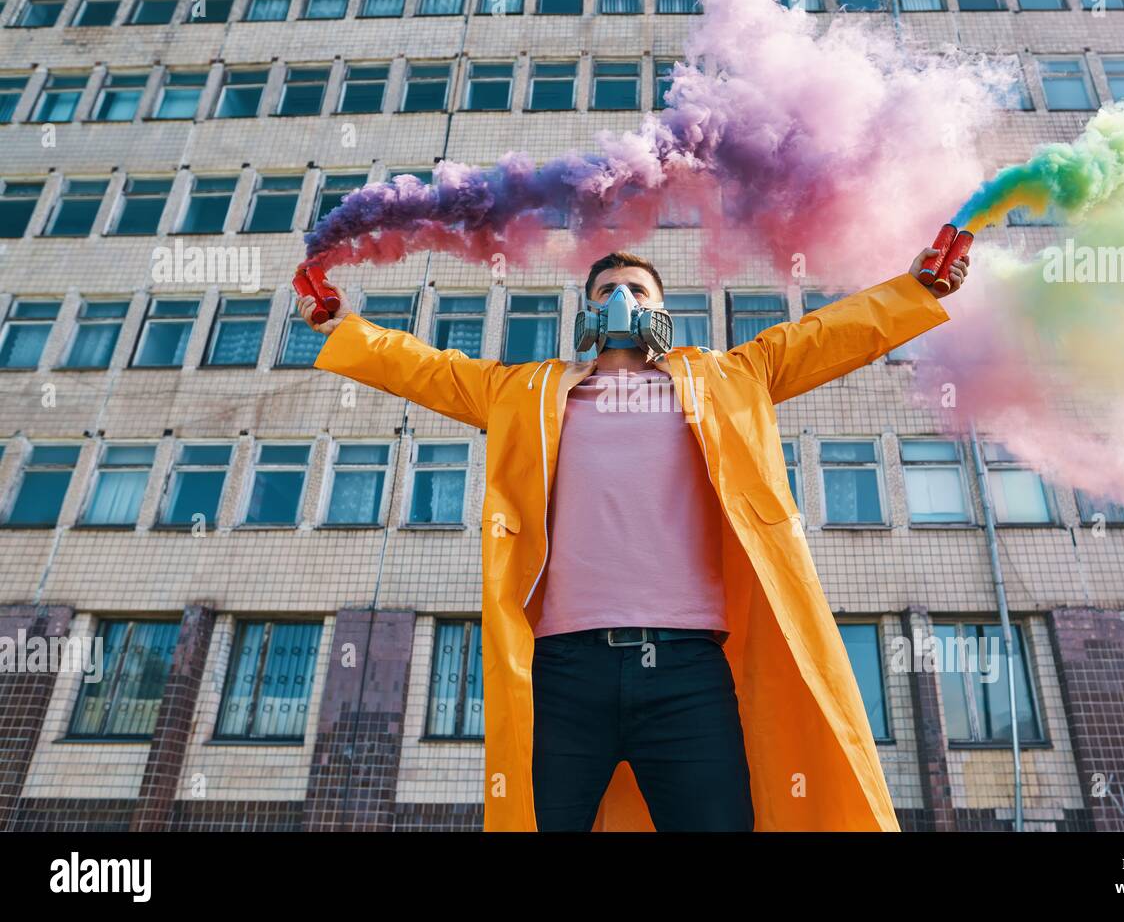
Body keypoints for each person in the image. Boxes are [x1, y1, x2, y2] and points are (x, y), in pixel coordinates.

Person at [299, 245, 967, 832]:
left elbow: (825, 335)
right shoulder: (521, 392)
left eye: (638, 290)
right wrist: (341, 326)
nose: (621, 299)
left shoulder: (730, 378)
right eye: (605, 292)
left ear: (663, 313)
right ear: (586, 316)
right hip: (562, 675)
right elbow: (424, 367)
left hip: (687, 673)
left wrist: (915, 291)